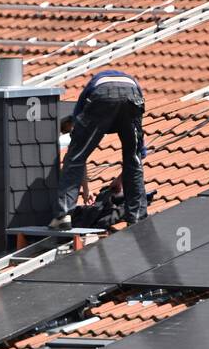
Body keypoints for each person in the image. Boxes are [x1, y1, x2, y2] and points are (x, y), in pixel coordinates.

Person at [51, 68, 147, 230]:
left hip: (103, 92)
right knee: (133, 159)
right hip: (132, 93)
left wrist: (85, 189)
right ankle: (136, 216)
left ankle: (63, 215)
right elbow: (139, 153)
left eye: (68, 130)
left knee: (74, 156)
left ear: (70, 124)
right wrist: (119, 180)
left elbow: (78, 156)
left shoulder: (79, 112)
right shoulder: (122, 85)